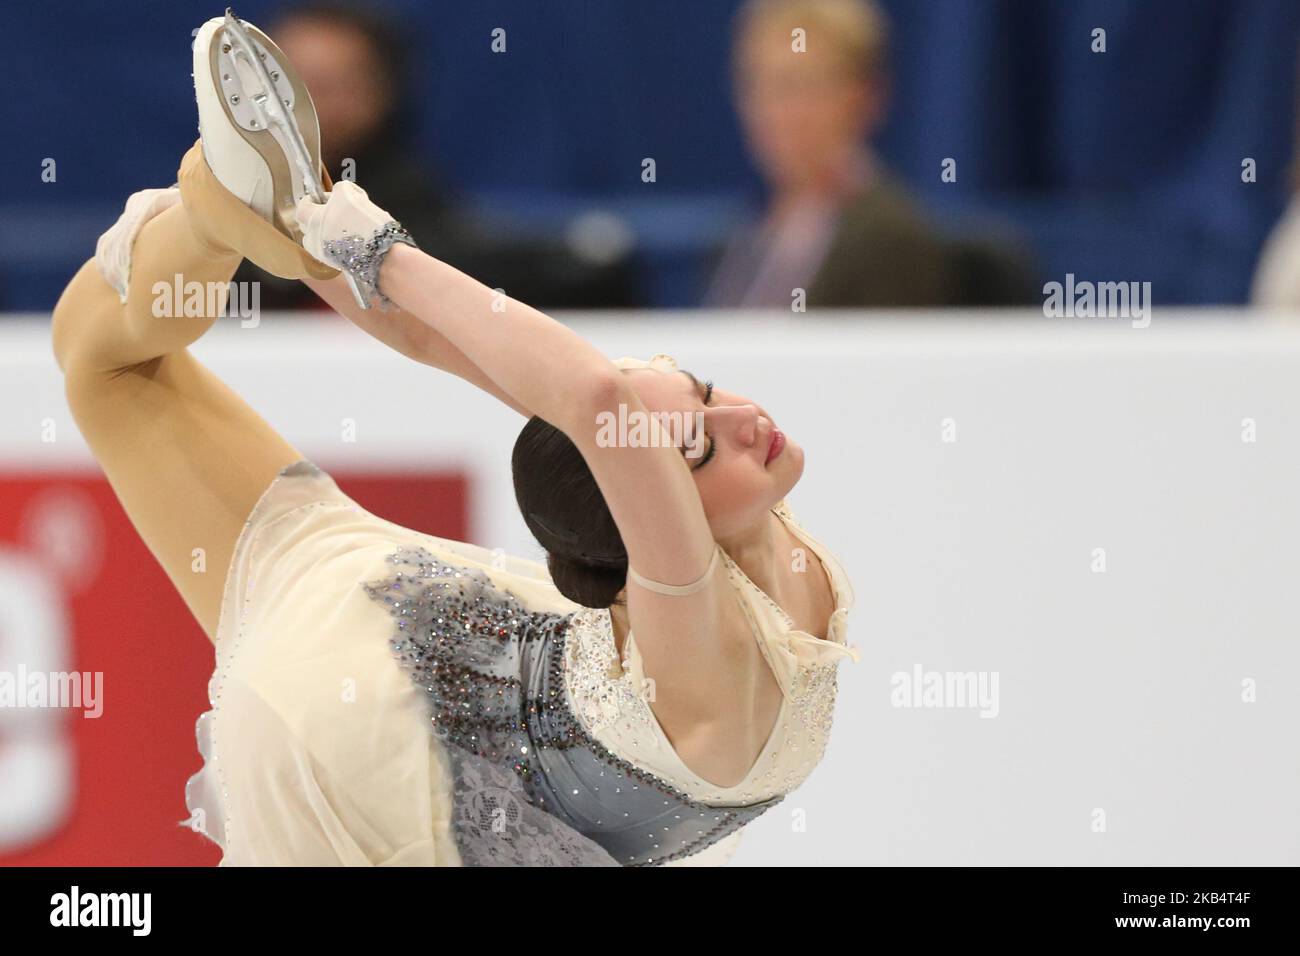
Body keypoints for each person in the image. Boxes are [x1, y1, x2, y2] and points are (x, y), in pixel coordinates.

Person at [51, 13, 857, 866]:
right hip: (389, 676)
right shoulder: (693, 604)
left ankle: (219, 218)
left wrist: (367, 246)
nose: (743, 420)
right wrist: (317, 226)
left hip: (385, 770)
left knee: (98, 368)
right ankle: (226, 217)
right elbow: (456, 346)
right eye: (698, 416)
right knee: (97, 360)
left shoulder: (697, 628)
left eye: (699, 429)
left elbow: (592, 399)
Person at [706, 0, 1034, 309]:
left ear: (865, 96)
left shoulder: (891, 239)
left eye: (803, 85)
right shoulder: (740, 237)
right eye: (761, 85)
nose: (780, 112)